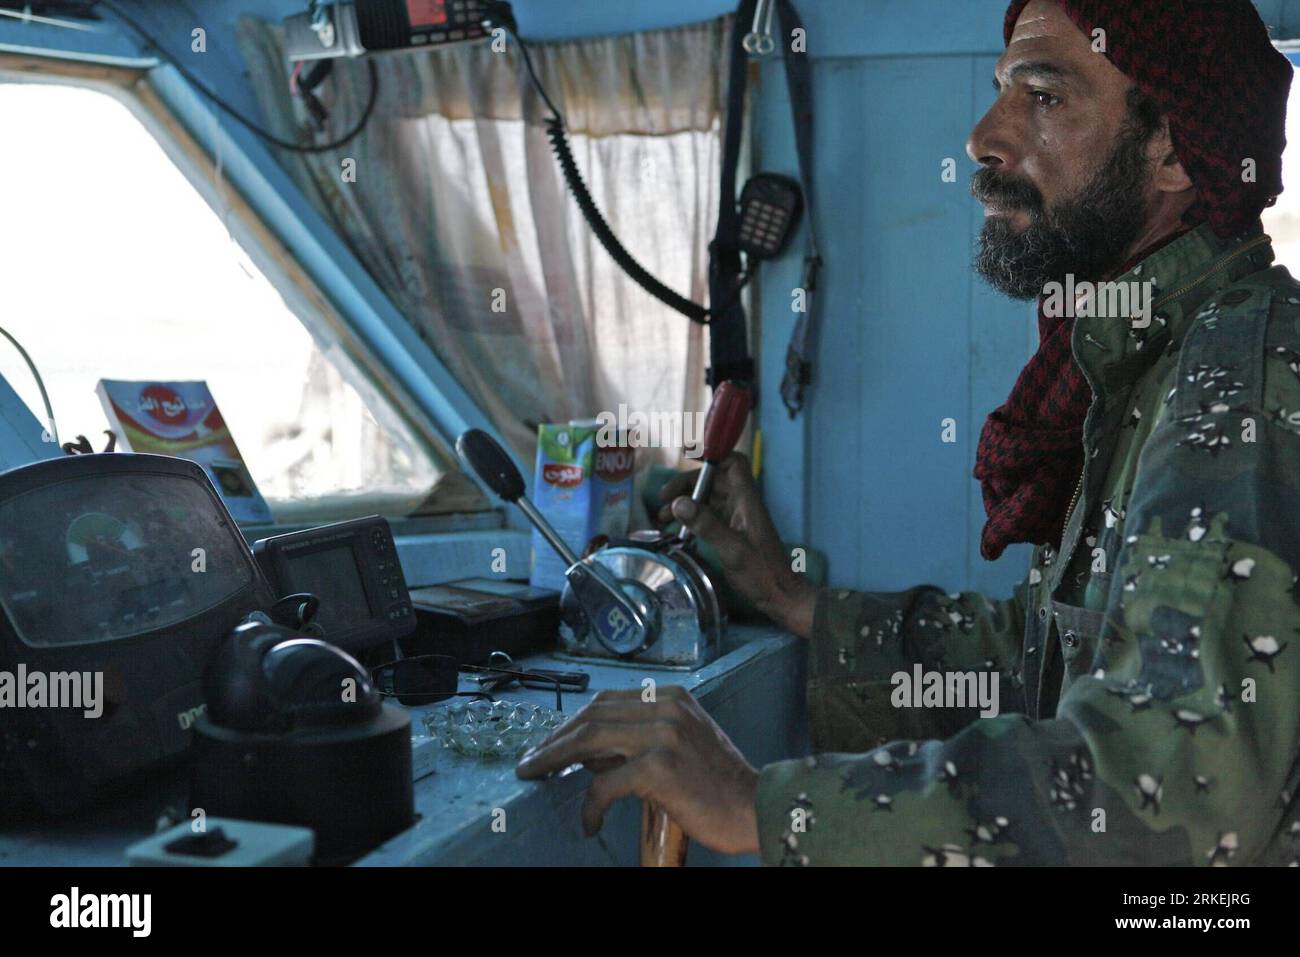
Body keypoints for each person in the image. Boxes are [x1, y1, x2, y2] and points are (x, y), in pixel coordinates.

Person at [517, 0, 1300, 865]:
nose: (982, 137)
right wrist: (795, 601)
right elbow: (1050, 662)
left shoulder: (1237, 375)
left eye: (1042, 97)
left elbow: (1182, 786)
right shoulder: (1140, 360)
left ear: (1171, 150)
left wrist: (764, 806)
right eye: (1003, 89)